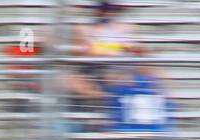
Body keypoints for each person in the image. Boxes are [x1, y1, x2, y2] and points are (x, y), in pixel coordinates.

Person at [66, 1, 172, 132]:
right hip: (95, 68)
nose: (108, 13)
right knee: (112, 75)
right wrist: (119, 47)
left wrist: (133, 50)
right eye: (104, 9)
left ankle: (164, 104)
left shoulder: (126, 28)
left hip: (121, 64)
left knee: (152, 71)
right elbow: (86, 51)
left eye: (112, 9)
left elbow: (137, 49)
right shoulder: (84, 28)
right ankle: (109, 107)